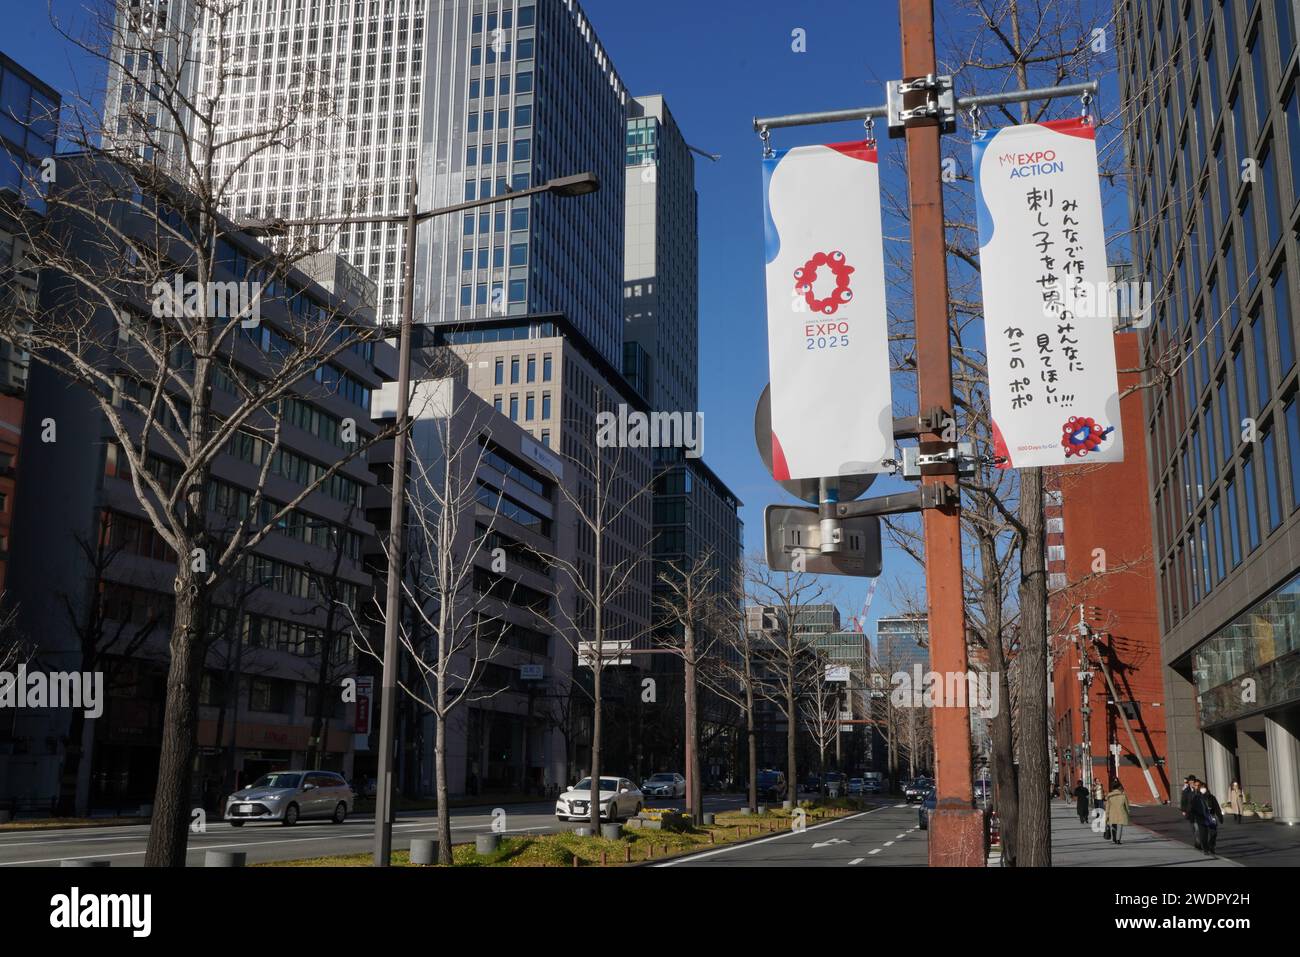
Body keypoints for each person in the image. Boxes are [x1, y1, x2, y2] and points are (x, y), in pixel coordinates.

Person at [1191, 782, 1223, 856]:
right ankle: (1205, 849)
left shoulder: (1211, 797)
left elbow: (1217, 808)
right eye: (1201, 788)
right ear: (1199, 789)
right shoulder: (1196, 798)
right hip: (1201, 819)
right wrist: (1194, 817)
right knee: (1203, 835)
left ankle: (1211, 846)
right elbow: (1193, 809)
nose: (1203, 789)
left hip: (1211, 817)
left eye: (1204, 787)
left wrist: (1220, 816)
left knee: (1213, 833)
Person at [1105, 781, 1131, 845]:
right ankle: (1118, 840)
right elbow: (1127, 806)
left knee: (1113, 825)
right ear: (1119, 787)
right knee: (1120, 826)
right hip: (1121, 812)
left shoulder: (1109, 796)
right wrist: (1128, 811)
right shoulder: (1123, 795)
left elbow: (1107, 806)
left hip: (1112, 813)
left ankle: (1114, 839)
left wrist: (1107, 815)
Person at [1180, 776, 1201, 850]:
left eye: (1193, 782)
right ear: (1188, 783)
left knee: (1197, 828)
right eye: (1190, 782)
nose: (1192, 784)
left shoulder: (1198, 789)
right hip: (1190, 812)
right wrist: (1183, 810)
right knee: (1193, 829)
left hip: (1198, 812)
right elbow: (1183, 801)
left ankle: (1198, 843)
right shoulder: (1186, 791)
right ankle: (1196, 841)